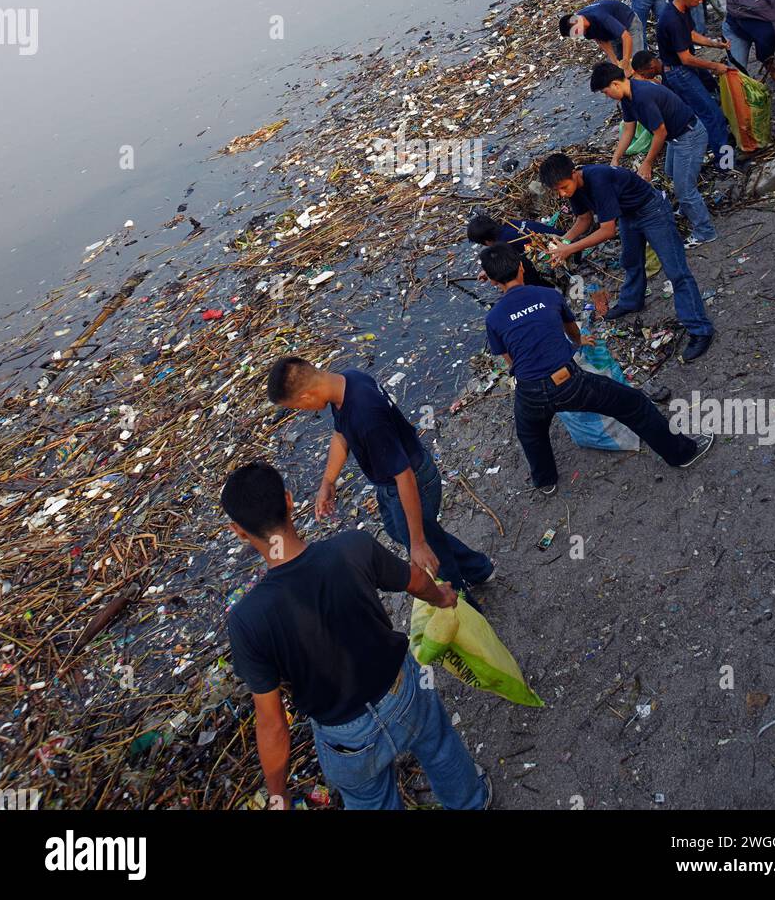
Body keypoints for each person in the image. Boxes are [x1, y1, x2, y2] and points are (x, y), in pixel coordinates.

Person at [221, 461, 489, 812]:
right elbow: (416, 581)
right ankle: (472, 802)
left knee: (370, 800)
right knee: (438, 747)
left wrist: (278, 792)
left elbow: (271, 723)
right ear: (289, 501)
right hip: (402, 691)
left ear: (239, 531)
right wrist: (443, 598)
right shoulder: (352, 548)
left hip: (344, 735)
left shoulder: (248, 620)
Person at [480, 242, 712, 492]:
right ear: (521, 268)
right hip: (569, 383)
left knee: (530, 433)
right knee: (634, 404)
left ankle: (546, 482)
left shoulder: (493, 318)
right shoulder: (548, 296)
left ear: (493, 282)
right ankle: (682, 454)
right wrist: (579, 341)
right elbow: (571, 331)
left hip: (530, 392)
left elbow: (509, 360)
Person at [267, 358, 494, 594]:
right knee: (401, 531)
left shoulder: (365, 416)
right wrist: (327, 481)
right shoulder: (349, 380)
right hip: (391, 482)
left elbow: (404, 476)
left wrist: (417, 543)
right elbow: (340, 434)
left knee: (429, 555)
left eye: (296, 407)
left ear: (306, 397)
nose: (301, 411)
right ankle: (478, 569)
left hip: (412, 482)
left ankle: (461, 605)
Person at [538, 155, 715, 362]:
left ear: (573, 173)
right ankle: (631, 301)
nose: (562, 194)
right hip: (627, 214)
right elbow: (584, 219)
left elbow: (607, 231)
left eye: (563, 187)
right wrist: (563, 243)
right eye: (557, 191)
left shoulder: (599, 179)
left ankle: (700, 330)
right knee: (631, 260)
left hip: (652, 210)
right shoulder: (574, 188)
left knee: (676, 271)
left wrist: (570, 249)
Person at [592, 62, 716, 244]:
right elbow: (628, 130)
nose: (607, 96)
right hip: (676, 137)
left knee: (685, 190)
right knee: (671, 173)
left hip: (688, 135)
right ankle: (687, 208)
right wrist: (615, 158)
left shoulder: (642, 97)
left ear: (615, 84)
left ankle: (705, 231)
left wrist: (647, 163)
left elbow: (660, 132)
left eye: (605, 92)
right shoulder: (627, 97)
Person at [656, 0, 732, 161]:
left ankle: (715, 144)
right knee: (712, 115)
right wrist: (715, 66)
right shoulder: (671, 19)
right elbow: (686, 58)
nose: (700, 3)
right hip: (679, 72)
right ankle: (725, 163)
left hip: (681, 70)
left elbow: (690, 34)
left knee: (705, 109)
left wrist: (715, 43)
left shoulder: (681, 10)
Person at [467, 212, 559, 288]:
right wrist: (487, 272)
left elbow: (506, 267)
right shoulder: (511, 224)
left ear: (486, 241)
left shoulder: (504, 244)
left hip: (557, 253)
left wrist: (490, 274)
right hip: (562, 238)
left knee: (519, 274)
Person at [559, 0, 642, 72]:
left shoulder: (600, 17)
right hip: (611, 33)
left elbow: (626, 36)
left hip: (629, 25)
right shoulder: (584, 27)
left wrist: (626, 60)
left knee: (636, 63)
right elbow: (602, 41)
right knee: (615, 67)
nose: (578, 35)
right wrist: (615, 61)